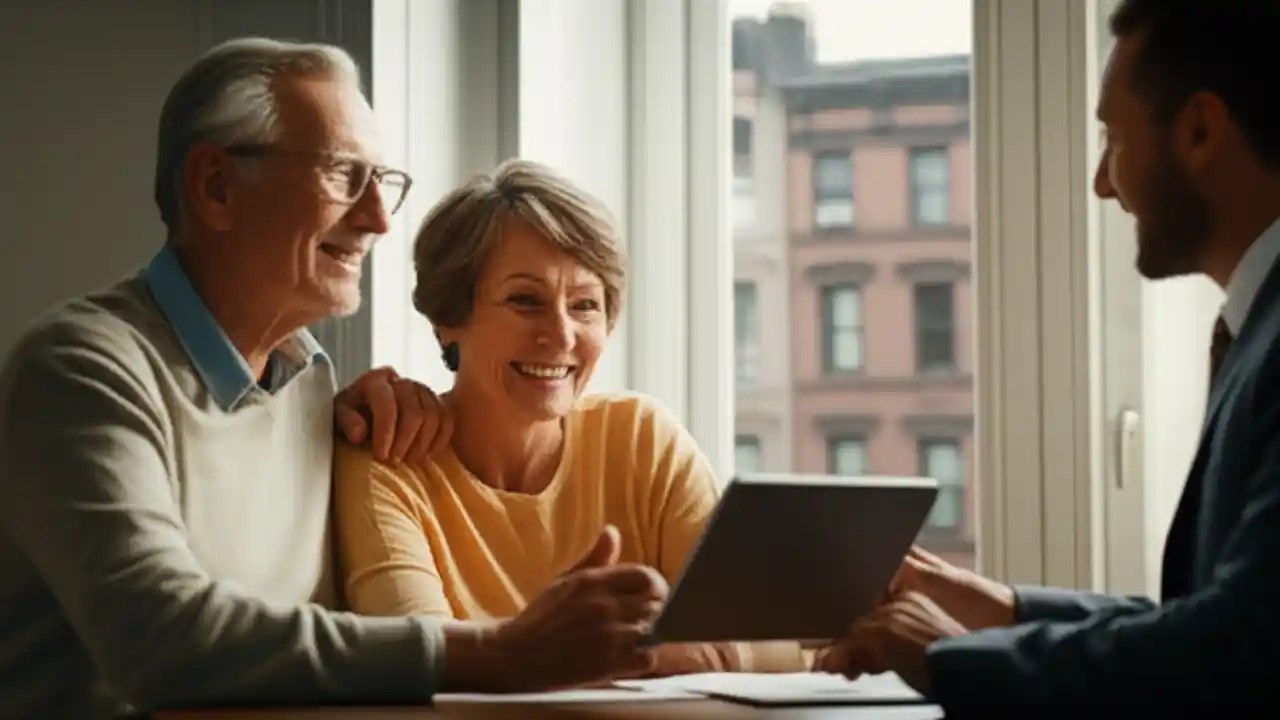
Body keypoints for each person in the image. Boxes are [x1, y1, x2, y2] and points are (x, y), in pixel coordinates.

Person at [0, 38, 656, 718]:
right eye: (344, 174)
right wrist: (501, 652)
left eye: (382, 181)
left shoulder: (310, 385)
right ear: (216, 187)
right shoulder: (81, 371)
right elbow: (160, 639)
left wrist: (360, 417)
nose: (378, 219)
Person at [818, 0, 1280, 708]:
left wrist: (948, 657)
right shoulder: (1257, 330)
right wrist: (1000, 610)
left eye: (1114, 138)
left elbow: (1240, 645)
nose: (1102, 182)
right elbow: (1205, 618)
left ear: (1200, 130)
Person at [333, 158, 808, 685]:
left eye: (584, 305)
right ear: (448, 318)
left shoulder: (641, 438)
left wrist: (626, 654)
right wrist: (663, 650)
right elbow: (420, 660)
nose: (561, 335)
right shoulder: (389, 454)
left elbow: (774, 640)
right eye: (525, 301)